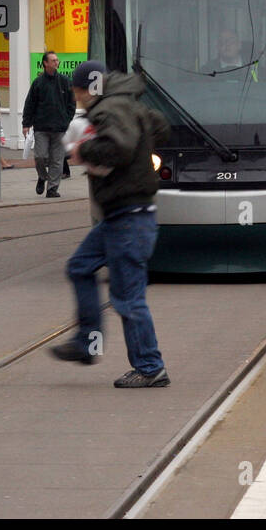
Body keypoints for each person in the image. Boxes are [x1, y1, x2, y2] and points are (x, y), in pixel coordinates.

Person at [50, 61, 172, 388]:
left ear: (85, 90)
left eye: (77, 94)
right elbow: (160, 126)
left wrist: (82, 148)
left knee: (128, 297)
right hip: (124, 214)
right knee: (80, 266)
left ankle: (150, 367)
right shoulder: (125, 103)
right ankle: (86, 342)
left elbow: (119, 145)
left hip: (129, 215)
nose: (77, 100)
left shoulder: (111, 108)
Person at [22, 51, 75, 198]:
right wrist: (26, 124)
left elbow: (72, 102)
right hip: (41, 127)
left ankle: (52, 188)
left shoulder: (65, 81)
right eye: (53, 60)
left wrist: (67, 118)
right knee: (40, 156)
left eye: (57, 60)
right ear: (45, 63)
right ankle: (42, 176)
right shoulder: (38, 83)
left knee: (57, 160)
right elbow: (30, 104)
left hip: (60, 127)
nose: (56, 62)